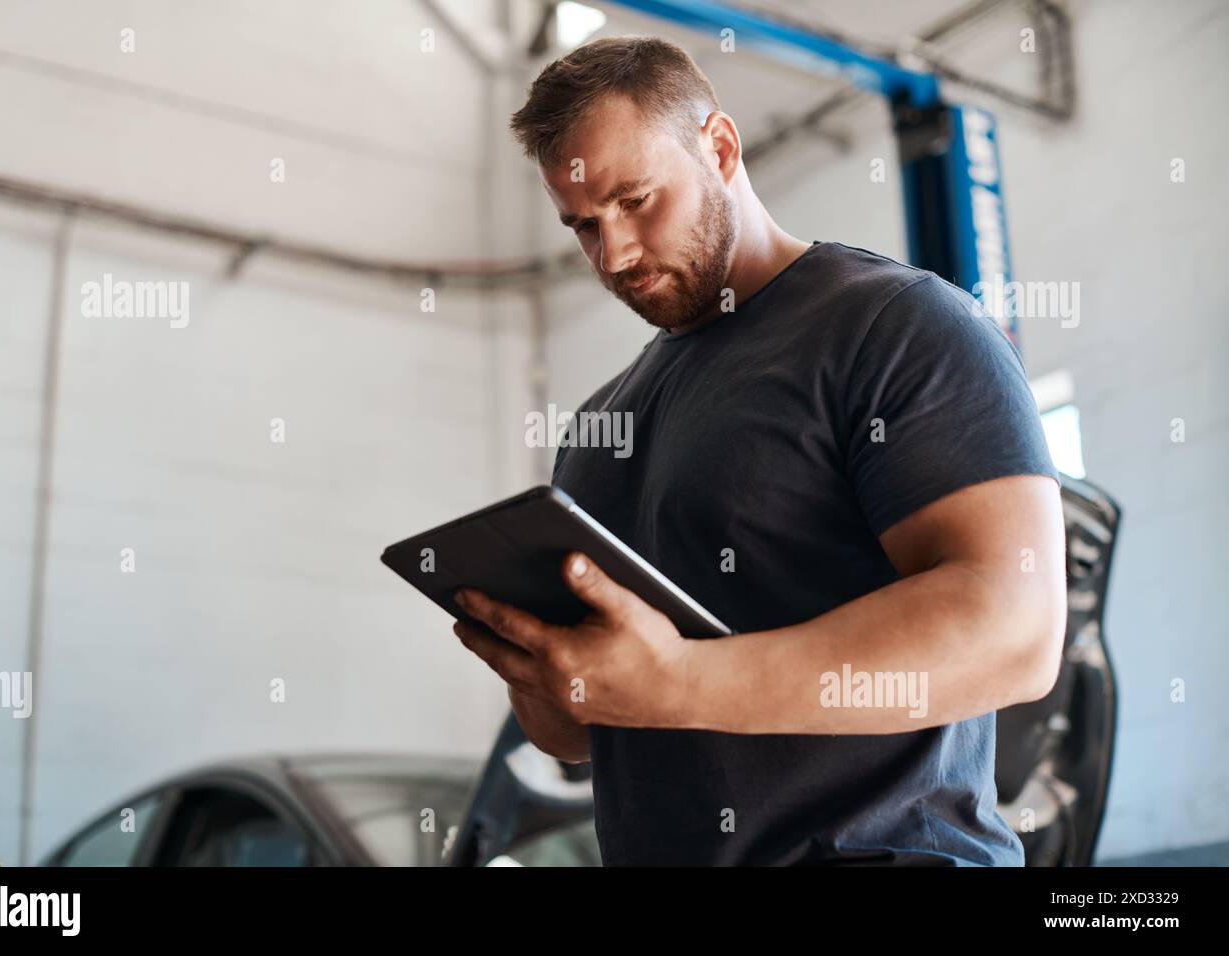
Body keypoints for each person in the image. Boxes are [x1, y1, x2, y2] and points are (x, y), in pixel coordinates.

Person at [451, 36, 1066, 866]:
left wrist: (677, 683)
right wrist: (544, 676)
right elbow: (581, 737)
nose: (615, 254)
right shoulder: (601, 426)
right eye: (584, 226)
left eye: (636, 200)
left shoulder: (895, 327)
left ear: (720, 146)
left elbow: (1015, 630)